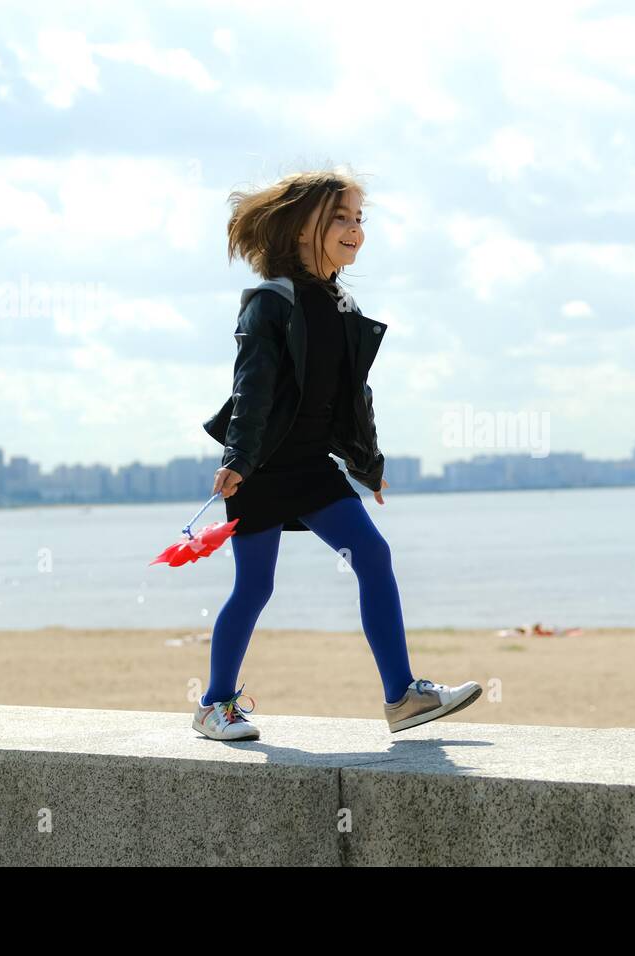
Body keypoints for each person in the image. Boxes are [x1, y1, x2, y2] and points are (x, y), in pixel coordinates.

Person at [197, 169, 480, 741]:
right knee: (255, 587)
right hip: (265, 467)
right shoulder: (270, 301)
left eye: (359, 219)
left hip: (313, 467)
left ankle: (401, 697)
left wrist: (366, 466)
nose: (355, 230)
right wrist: (237, 459)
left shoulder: (342, 304)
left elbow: (354, 397)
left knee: (373, 555)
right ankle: (213, 705)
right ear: (304, 228)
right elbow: (251, 386)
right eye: (341, 218)